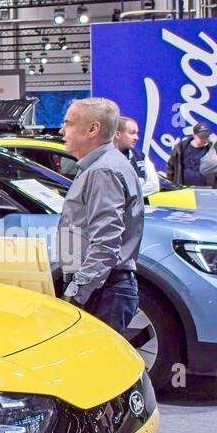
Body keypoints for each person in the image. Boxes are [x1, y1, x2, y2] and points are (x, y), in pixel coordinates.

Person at [57, 97, 144, 333]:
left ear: (93, 129)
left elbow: (105, 243)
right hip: (104, 288)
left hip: (103, 292)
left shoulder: (103, 171)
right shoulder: (100, 166)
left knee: (96, 368)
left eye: (68, 124)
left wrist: (77, 293)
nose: (62, 130)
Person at [114, 115, 160, 196]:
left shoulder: (140, 157)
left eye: (137, 133)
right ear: (118, 134)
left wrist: (127, 197)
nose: (137, 138)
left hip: (137, 207)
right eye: (132, 133)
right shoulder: (102, 157)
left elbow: (154, 185)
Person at [165, 122, 213, 187]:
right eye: (201, 137)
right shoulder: (180, 148)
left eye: (206, 137)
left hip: (206, 190)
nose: (204, 139)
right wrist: (171, 185)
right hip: (183, 190)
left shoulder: (212, 150)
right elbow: (170, 168)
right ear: (194, 135)